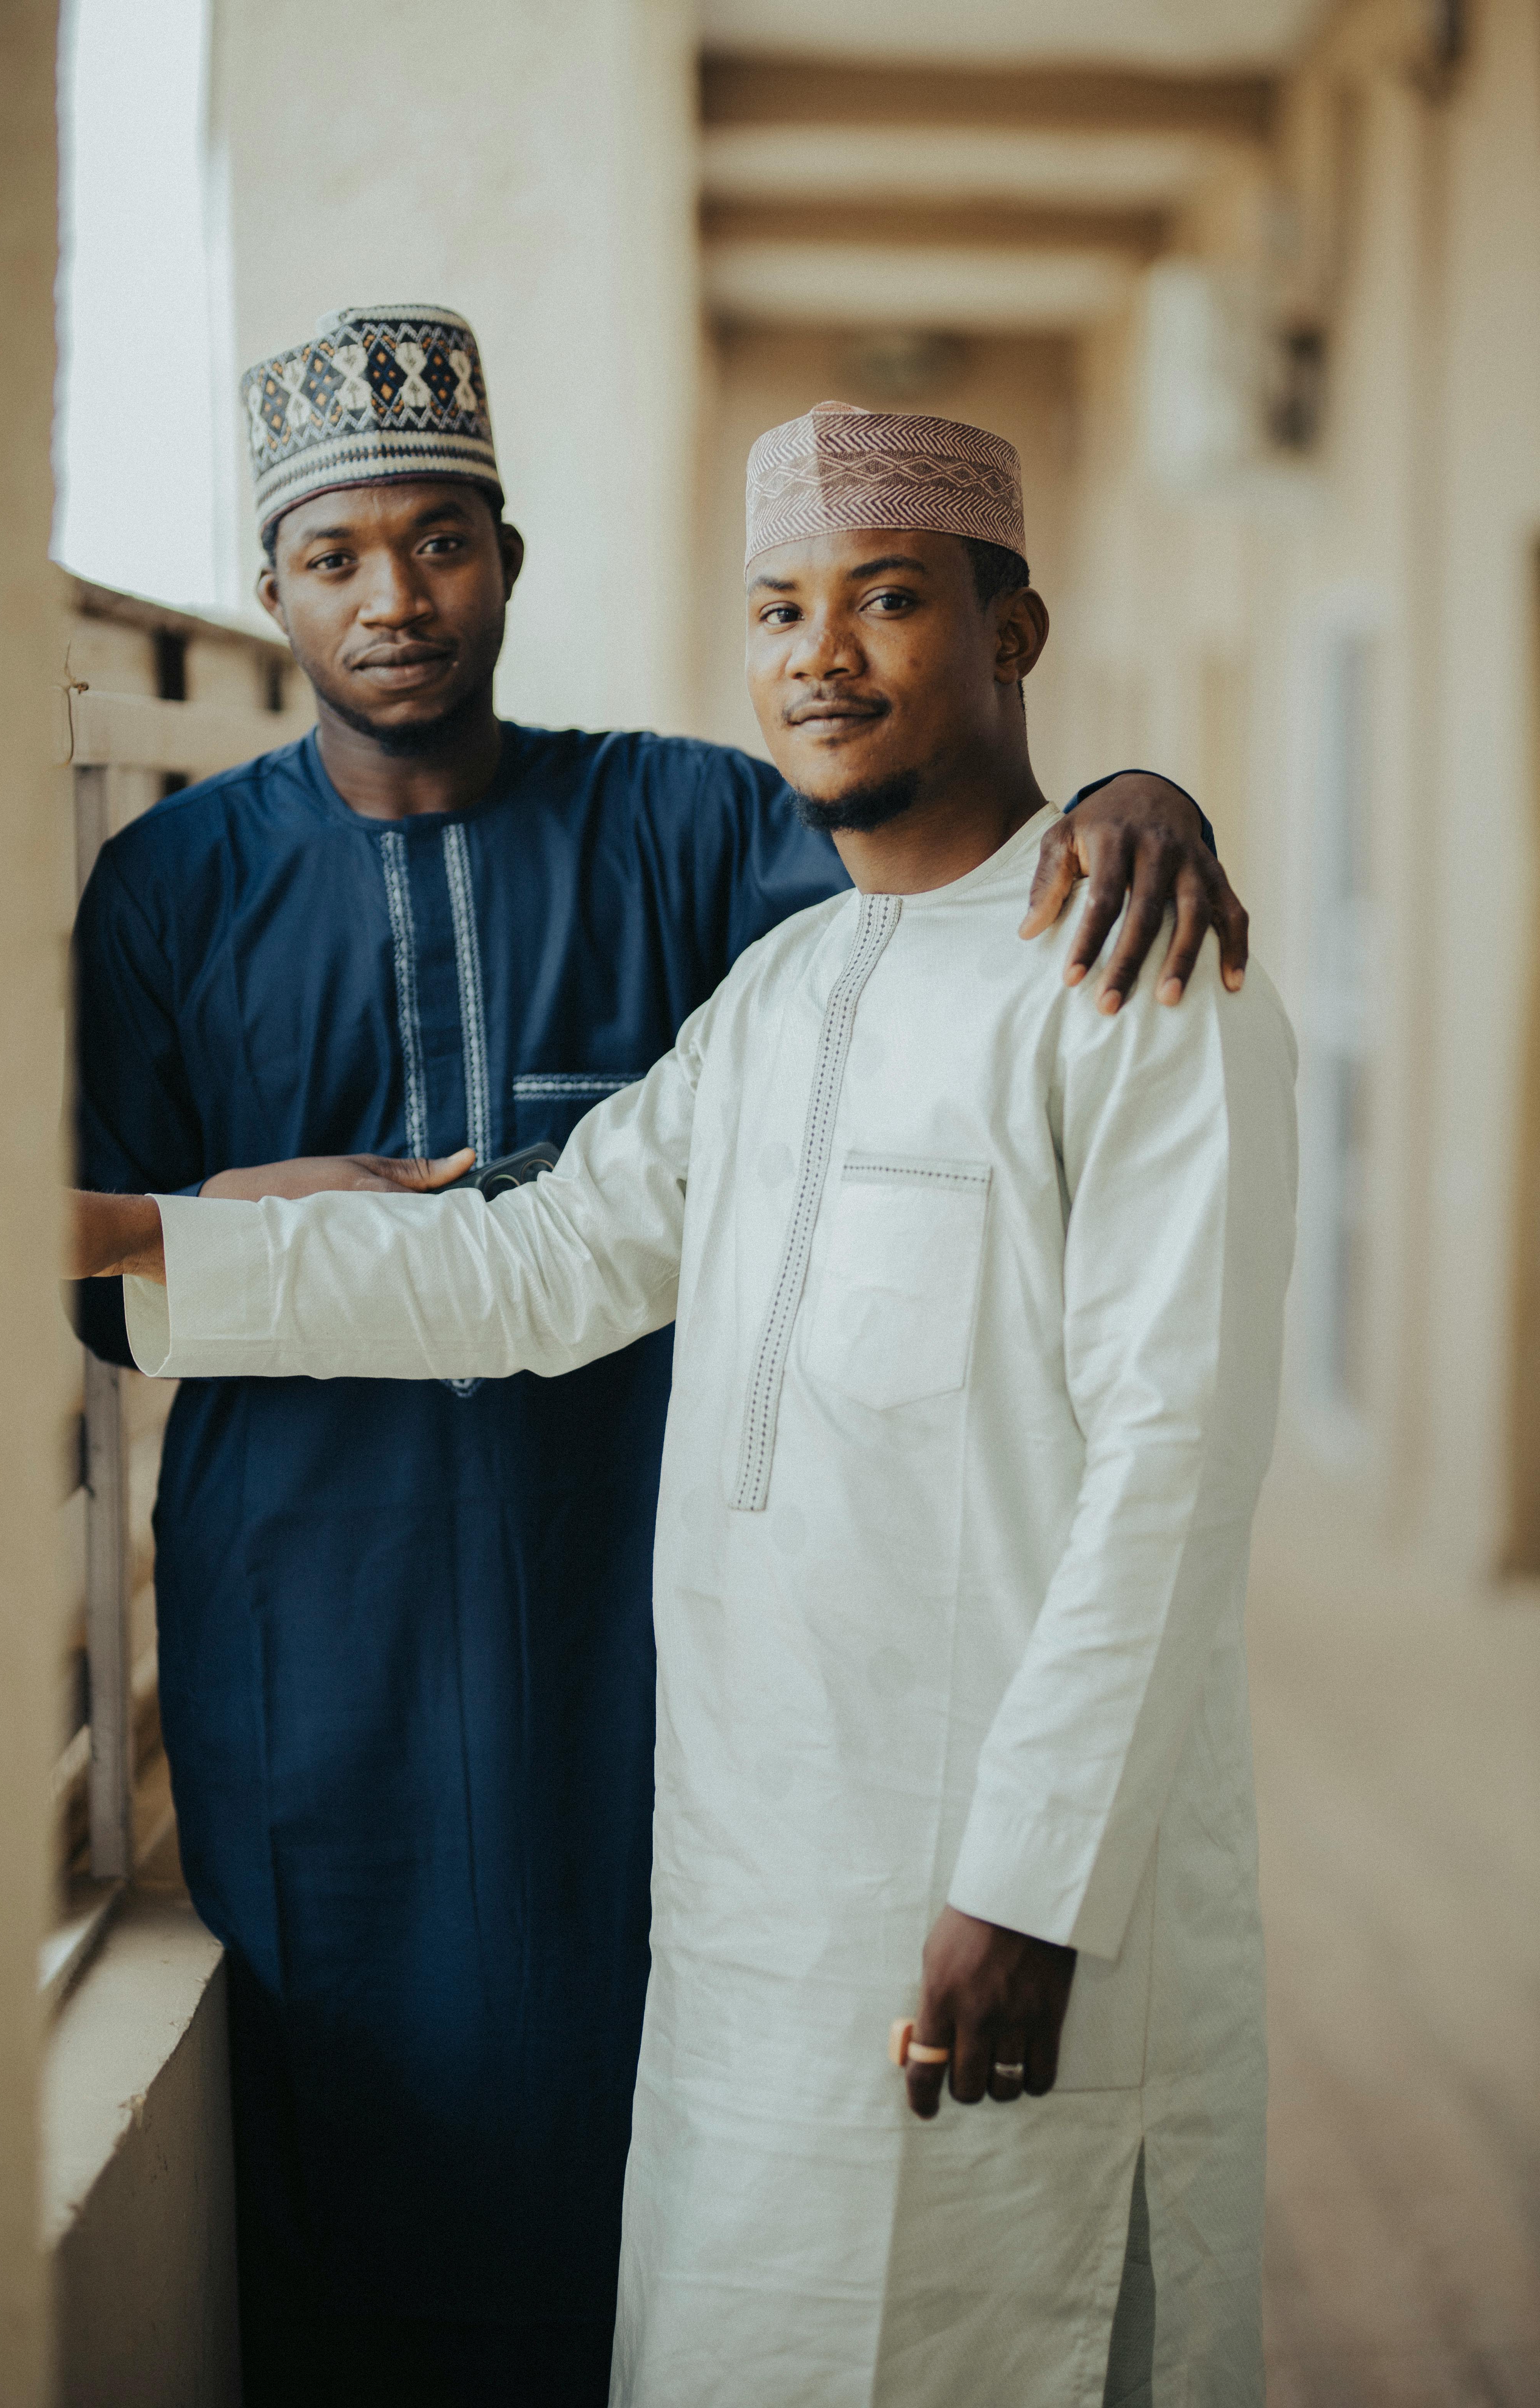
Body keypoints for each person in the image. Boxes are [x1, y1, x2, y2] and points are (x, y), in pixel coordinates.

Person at [70, 318, 1249, 2407]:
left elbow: (1173, 1467)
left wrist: (1029, 1880)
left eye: (890, 598)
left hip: (970, 1847)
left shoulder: (1124, 975)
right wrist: (119, 1227)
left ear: (1014, 627)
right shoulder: (782, 994)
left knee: (997, 2330)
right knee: (730, 2321)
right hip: (744, 1844)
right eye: (783, 608)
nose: (824, 655)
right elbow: (534, 1266)